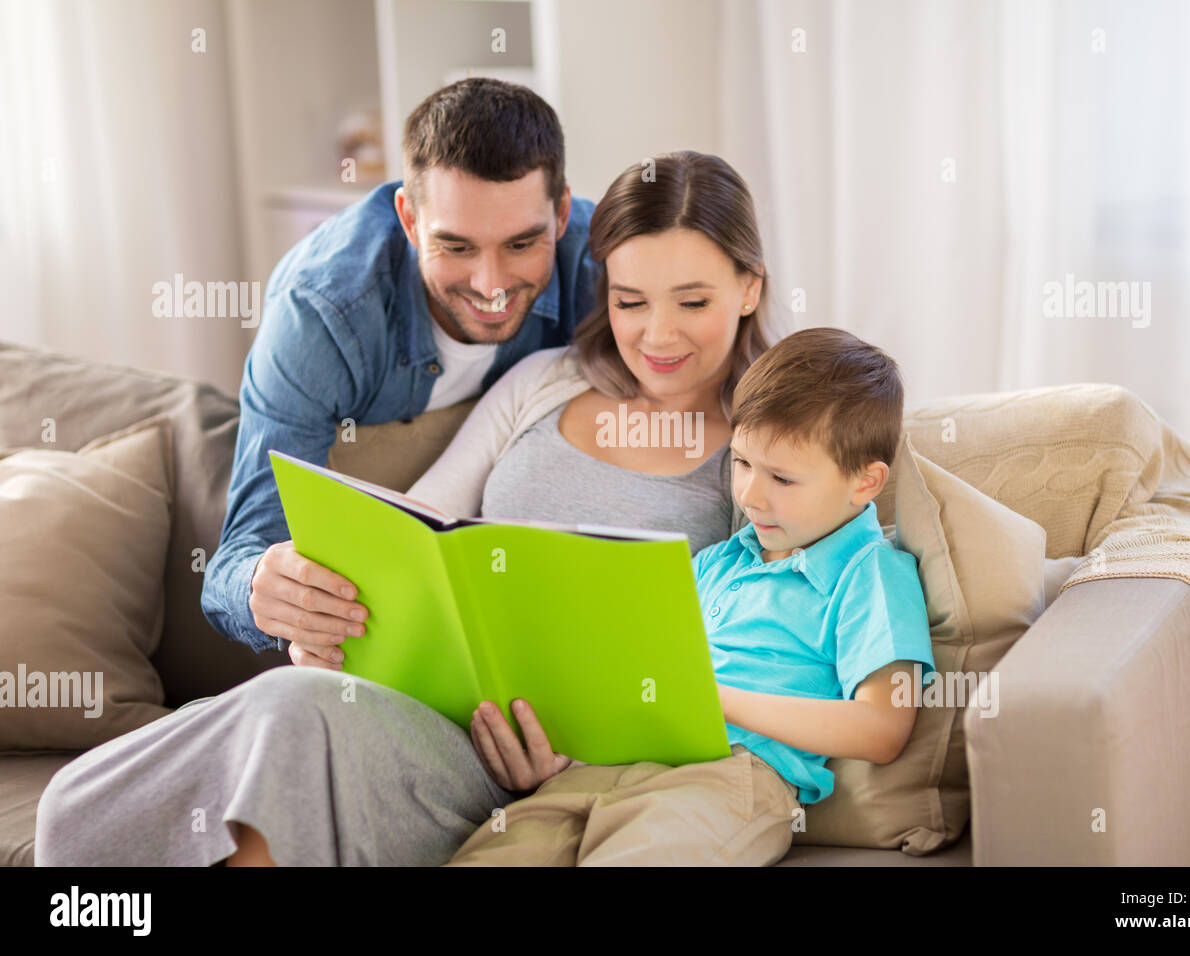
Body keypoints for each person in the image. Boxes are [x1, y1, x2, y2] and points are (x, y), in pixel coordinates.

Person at [35, 150, 772, 866]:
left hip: (559, 763)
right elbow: (415, 526)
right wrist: (332, 605)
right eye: (629, 301)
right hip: (423, 710)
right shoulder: (547, 379)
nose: (657, 335)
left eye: (694, 302)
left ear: (749, 289)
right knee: (182, 751)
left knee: (289, 721)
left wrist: (576, 756)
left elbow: (756, 654)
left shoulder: (764, 453)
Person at [445, 327, 938, 865]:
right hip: (615, 762)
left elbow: (882, 729)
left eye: (783, 478)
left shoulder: (871, 574)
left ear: (865, 483)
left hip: (732, 777)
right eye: (744, 463)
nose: (750, 493)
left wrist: (711, 697)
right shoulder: (717, 561)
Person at [200, 76, 599, 667]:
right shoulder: (322, 312)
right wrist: (267, 587)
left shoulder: (606, 266)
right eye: (457, 247)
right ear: (409, 221)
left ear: (561, 213)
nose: (491, 284)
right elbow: (232, 567)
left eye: (521, 244)